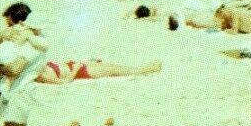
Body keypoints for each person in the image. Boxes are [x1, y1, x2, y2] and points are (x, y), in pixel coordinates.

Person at [35, 58, 163, 83]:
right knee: (112, 70)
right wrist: (75, 70)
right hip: (79, 72)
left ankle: (143, 68)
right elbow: (65, 81)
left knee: (111, 65)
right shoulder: (40, 75)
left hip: (76, 66)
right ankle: (145, 70)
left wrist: (85, 62)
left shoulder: (39, 65)